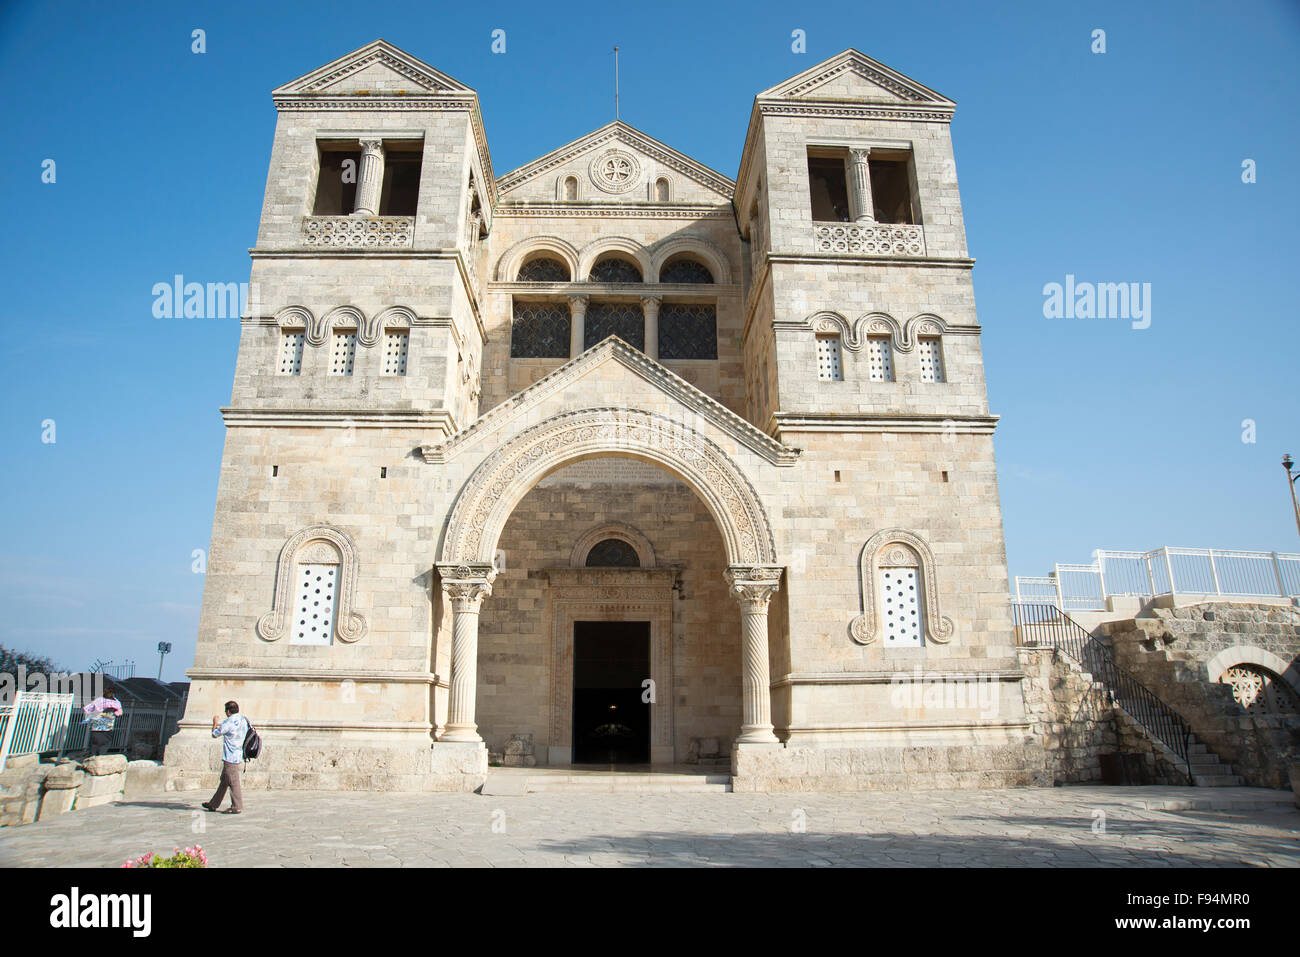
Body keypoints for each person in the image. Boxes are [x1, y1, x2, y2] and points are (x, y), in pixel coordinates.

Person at [203, 700, 248, 814]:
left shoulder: (229, 722)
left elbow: (215, 734)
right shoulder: (244, 720)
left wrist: (215, 723)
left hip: (230, 756)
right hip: (238, 753)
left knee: (233, 781)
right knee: (224, 780)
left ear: (228, 711)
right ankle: (213, 804)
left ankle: (237, 806)